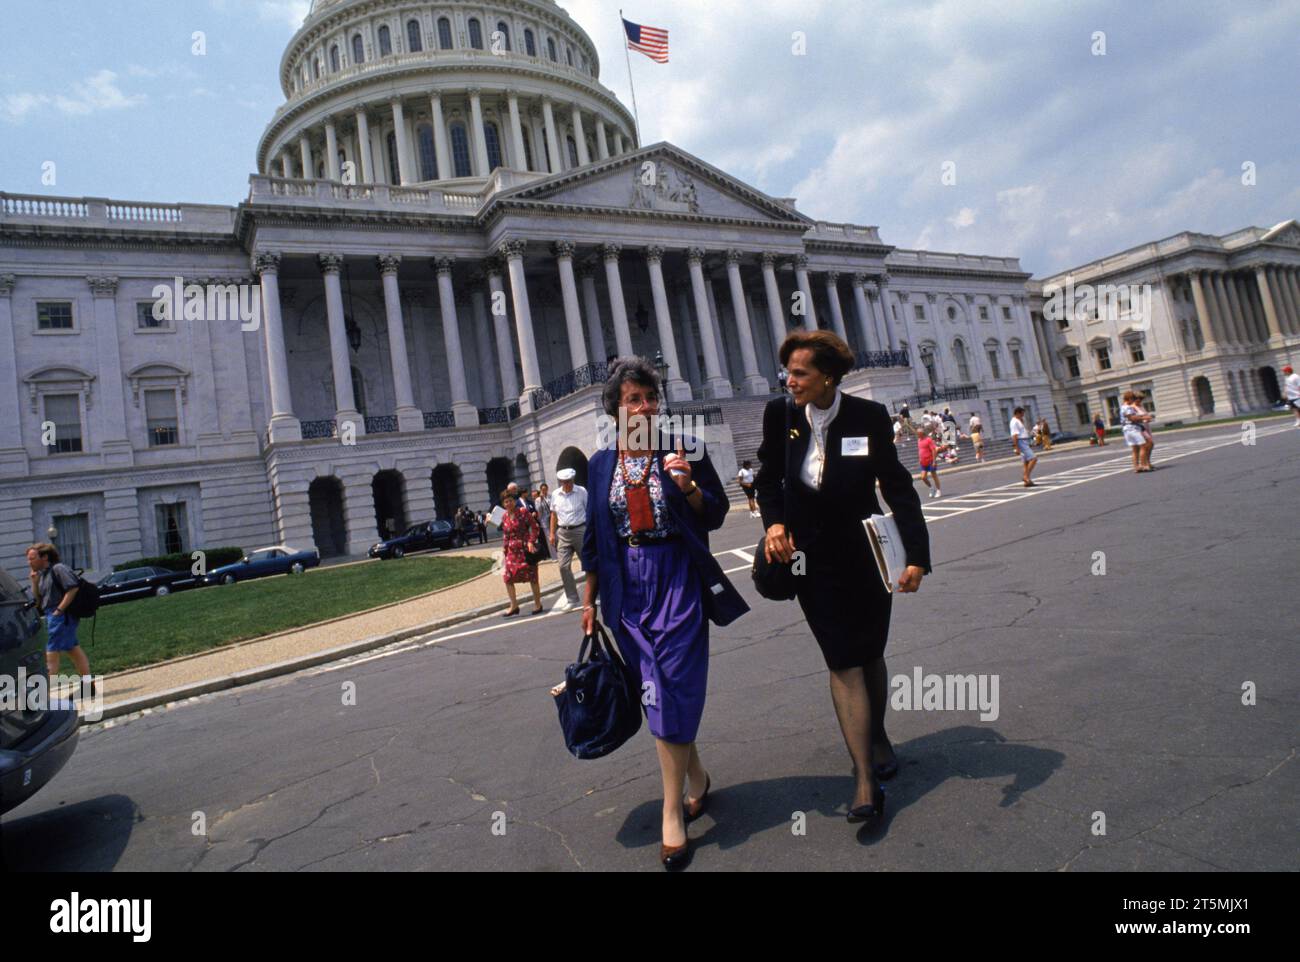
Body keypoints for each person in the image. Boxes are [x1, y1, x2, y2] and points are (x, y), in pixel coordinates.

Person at [756, 331, 930, 832]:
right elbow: (768, 479)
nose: (790, 382)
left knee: (870, 651)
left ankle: (877, 735)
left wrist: (917, 557)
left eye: (800, 373)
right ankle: (864, 778)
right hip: (810, 561)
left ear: (829, 376)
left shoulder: (867, 417)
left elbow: (897, 487)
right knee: (842, 659)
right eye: (787, 372)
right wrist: (773, 523)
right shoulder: (780, 415)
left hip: (866, 554)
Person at [581, 356, 748, 870]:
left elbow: (716, 513)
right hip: (626, 587)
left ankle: (671, 811)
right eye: (634, 399)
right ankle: (697, 778)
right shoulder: (600, 464)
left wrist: (690, 488)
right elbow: (594, 539)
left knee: (671, 682)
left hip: (676, 575)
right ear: (615, 409)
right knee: (654, 689)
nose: (646, 406)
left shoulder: (684, 447)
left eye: (651, 397)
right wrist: (588, 601)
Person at [27, 543, 93, 691]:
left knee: (52, 651)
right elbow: (37, 601)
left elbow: (73, 587)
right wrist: (34, 582)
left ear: (44, 557)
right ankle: (89, 686)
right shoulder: (42, 575)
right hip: (53, 615)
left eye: (32, 558)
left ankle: (41, 692)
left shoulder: (59, 569)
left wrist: (59, 610)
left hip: (61, 616)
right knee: (73, 649)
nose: (29, 562)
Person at [495, 489, 543, 616]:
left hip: (525, 549)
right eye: (506, 502)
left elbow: (534, 526)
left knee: (532, 576)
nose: (509, 503)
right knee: (507, 577)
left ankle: (538, 604)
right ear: (503, 504)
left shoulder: (522, 512)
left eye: (510, 501)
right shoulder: (504, 516)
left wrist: (531, 541)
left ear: (514, 501)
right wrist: (504, 550)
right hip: (511, 552)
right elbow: (506, 535)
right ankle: (514, 605)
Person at [548, 468, 587, 612]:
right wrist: (552, 533)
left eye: (569, 481)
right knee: (563, 566)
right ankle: (572, 599)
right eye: (564, 482)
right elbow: (553, 514)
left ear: (573, 480)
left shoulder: (582, 491)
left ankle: (597, 594)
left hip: (580, 530)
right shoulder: (555, 494)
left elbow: (589, 510)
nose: (566, 484)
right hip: (563, 532)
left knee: (588, 563)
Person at [1120, 391, 1154, 472]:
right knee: (1143, 446)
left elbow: (1132, 417)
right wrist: (1144, 418)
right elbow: (1132, 418)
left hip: (1127, 429)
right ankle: (1144, 465)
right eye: (1133, 399)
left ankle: (1137, 467)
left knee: (1135, 449)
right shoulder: (1127, 407)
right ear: (1129, 398)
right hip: (1132, 428)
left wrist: (1142, 417)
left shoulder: (1123, 407)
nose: (1134, 401)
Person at [1010, 406, 1038, 486]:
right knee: (1033, 458)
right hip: (1021, 442)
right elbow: (1014, 435)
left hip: (1024, 441)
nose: (1023, 415)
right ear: (1017, 413)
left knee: (1026, 462)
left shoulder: (1018, 421)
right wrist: (1016, 447)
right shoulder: (1014, 422)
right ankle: (1026, 476)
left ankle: (1027, 481)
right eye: (1022, 414)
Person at [917, 428, 942, 498]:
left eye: (918, 433)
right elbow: (920, 450)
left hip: (930, 461)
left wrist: (934, 461)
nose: (917, 435)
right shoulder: (919, 440)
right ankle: (931, 488)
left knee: (934, 476)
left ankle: (938, 490)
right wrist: (920, 458)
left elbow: (933, 450)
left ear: (922, 433)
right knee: (923, 477)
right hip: (923, 462)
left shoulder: (928, 440)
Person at [534, 484, 553, 560]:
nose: (544, 491)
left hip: (552, 518)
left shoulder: (551, 496)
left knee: (556, 536)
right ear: (541, 490)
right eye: (543, 489)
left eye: (545, 489)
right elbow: (538, 510)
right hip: (544, 520)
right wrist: (541, 500)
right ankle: (554, 556)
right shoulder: (537, 500)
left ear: (547, 489)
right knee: (549, 538)